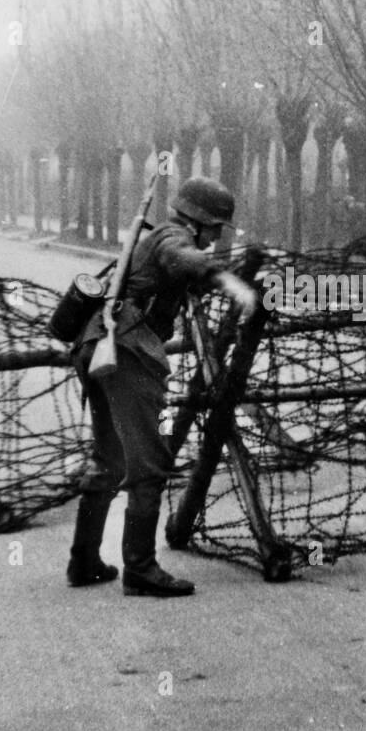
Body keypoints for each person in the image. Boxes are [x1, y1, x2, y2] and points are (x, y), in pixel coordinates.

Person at [68, 177, 258, 597]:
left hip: (98, 346)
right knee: (149, 464)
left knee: (110, 458)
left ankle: (83, 562)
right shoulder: (173, 238)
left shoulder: (159, 237)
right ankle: (140, 569)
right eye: (214, 230)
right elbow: (188, 259)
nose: (213, 240)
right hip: (126, 355)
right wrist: (236, 286)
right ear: (199, 221)